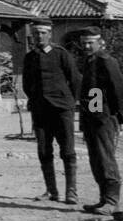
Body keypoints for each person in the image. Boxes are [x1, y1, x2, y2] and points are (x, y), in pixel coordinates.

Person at [21, 20, 81, 203]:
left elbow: (76, 80)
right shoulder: (30, 57)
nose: (39, 36)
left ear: (50, 34)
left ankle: (71, 192)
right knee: (44, 150)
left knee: (67, 150)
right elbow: (26, 84)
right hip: (40, 110)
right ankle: (51, 191)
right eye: (36, 33)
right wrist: (36, 99)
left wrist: (69, 102)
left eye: (43, 33)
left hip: (62, 110)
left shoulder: (61, 54)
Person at [77, 27, 123, 213]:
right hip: (93, 114)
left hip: (105, 117)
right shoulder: (89, 61)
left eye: (90, 42)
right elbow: (93, 92)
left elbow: (120, 89)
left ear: (100, 43)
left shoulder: (106, 61)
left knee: (105, 158)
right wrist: (90, 115)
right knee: (96, 159)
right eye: (84, 43)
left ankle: (112, 201)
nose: (86, 46)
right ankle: (103, 199)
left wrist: (116, 112)